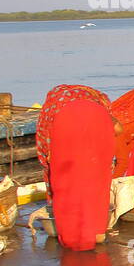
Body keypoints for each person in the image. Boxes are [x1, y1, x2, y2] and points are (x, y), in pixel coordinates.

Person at [36, 85, 116, 252]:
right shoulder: (97, 99)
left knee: (66, 183)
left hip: (67, 124)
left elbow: (44, 139)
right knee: (98, 180)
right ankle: (98, 233)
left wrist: (48, 160)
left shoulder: (53, 103)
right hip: (99, 121)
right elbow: (117, 129)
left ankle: (72, 238)